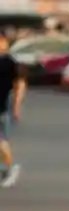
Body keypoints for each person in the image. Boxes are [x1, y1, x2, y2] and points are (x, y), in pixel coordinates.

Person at [0, 34, 25, 188]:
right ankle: (6, 168)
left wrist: (16, 105)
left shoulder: (10, 63)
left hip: (2, 108)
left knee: (2, 141)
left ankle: (8, 168)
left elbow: (20, 84)